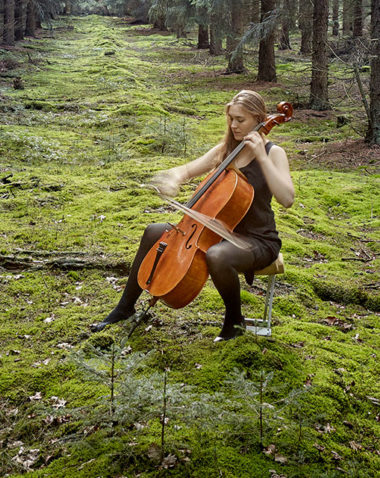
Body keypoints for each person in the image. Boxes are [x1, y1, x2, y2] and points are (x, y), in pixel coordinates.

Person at [91, 90, 295, 341]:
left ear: (258, 118)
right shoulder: (226, 150)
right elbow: (186, 170)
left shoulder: (274, 153)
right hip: (220, 232)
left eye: (240, 120)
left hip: (257, 239)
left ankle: (234, 322)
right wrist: (173, 178)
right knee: (154, 232)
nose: (233, 125)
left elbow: (287, 199)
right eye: (231, 119)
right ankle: (125, 307)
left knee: (217, 255)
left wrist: (262, 158)